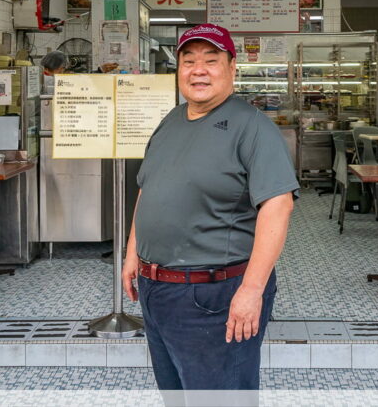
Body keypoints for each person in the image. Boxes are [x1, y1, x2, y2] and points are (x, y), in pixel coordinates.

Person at [122, 23, 298, 399]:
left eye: (210, 60)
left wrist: (252, 290)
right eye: (188, 61)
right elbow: (147, 188)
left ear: (232, 68)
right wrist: (132, 252)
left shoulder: (252, 127)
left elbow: (278, 206)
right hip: (159, 291)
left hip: (214, 294)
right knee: (177, 393)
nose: (198, 70)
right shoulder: (171, 121)